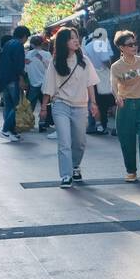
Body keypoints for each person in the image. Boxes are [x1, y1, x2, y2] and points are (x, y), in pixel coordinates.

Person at [38, 26, 99, 189]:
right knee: (64, 141)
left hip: (80, 106)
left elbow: (91, 83)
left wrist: (93, 103)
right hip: (60, 105)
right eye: (72, 38)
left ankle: (75, 166)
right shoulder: (55, 62)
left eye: (76, 37)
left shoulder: (84, 61)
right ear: (64, 42)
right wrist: (44, 108)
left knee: (80, 142)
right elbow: (49, 87)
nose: (76, 40)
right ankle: (66, 175)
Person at [110, 30, 140, 182]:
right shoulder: (116, 66)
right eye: (130, 44)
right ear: (121, 47)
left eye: (135, 43)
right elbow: (113, 84)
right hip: (126, 105)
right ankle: (131, 170)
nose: (134, 47)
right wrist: (117, 96)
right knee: (127, 140)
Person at [0, 25, 29, 141]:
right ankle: (5, 130)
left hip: (4, 79)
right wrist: (21, 79)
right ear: (24, 36)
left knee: (9, 106)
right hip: (13, 79)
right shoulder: (18, 45)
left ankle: (10, 131)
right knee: (17, 106)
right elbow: (18, 64)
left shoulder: (8, 44)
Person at [83, 28, 115, 135]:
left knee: (95, 101)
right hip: (104, 77)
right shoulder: (102, 44)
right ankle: (111, 126)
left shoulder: (87, 47)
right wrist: (112, 69)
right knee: (110, 102)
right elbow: (105, 60)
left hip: (91, 77)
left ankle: (97, 125)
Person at [24, 34, 52, 132]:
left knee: (30, 104)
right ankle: (43, 124)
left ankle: (28, 123)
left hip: (33, 83)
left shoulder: (28, 55)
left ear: (31, 44)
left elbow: (26, 70)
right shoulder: (47, 54)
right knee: (45, 105)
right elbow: (50, 68)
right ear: (42, 43)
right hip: (46, 83)